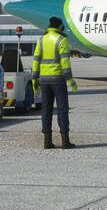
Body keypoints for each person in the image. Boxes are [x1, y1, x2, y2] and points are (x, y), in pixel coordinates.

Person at [32, 17, 76, 149]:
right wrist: (70, 80)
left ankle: (47, 141)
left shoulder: (41, 39)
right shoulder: (62, 40)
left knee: (46, 110)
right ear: (60, 26)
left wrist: (34, 78)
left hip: (44, 80)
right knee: (62, 109)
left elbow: (36, 60)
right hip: (58, 79)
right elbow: (65, 63)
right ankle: (65, 140)